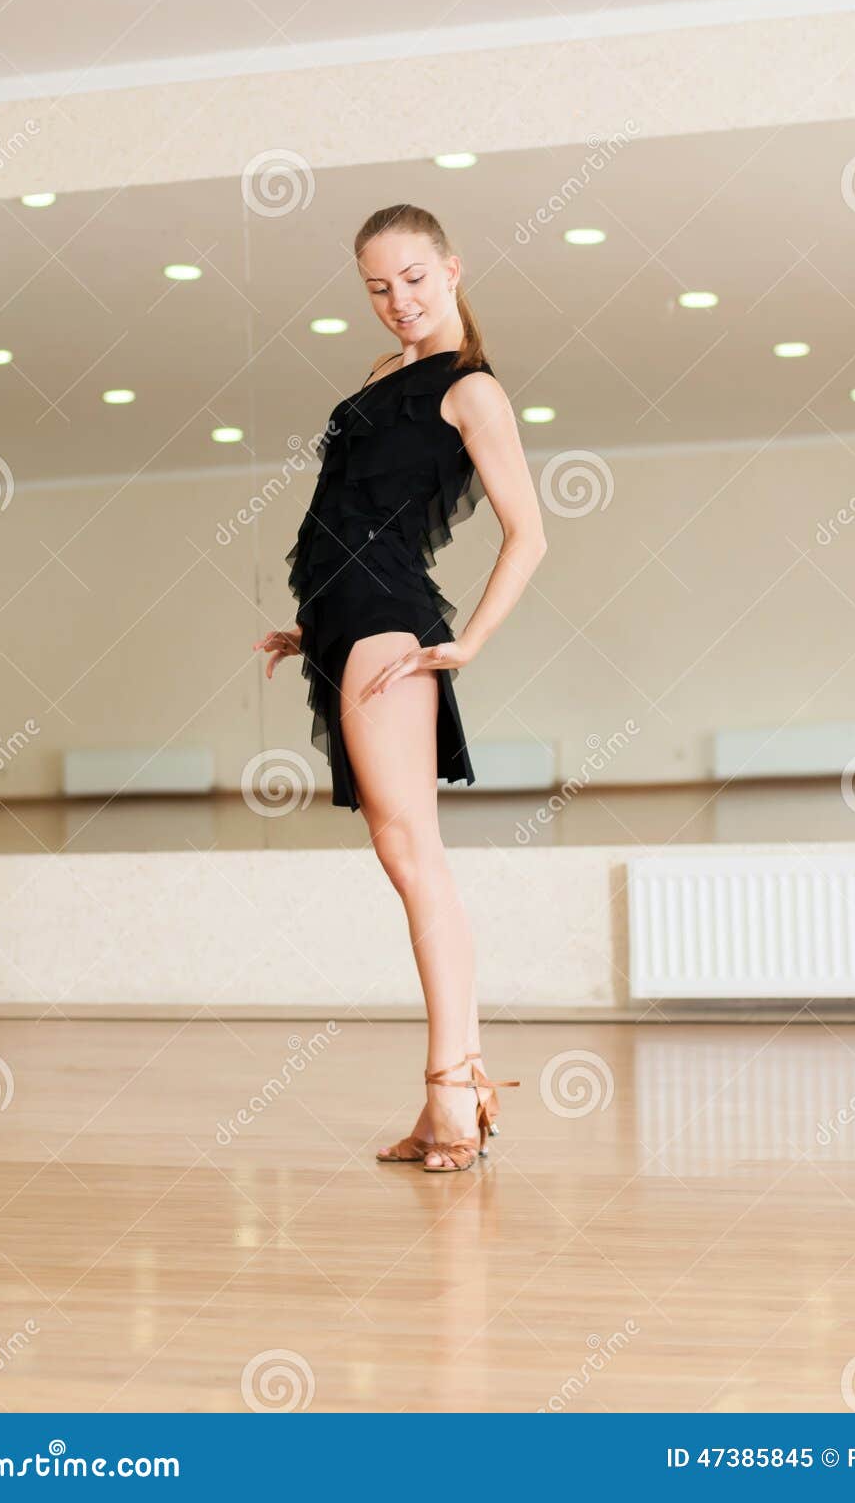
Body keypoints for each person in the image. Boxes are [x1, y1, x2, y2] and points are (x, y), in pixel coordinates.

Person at [254, 204, 547, 1170]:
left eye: (414, 278)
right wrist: (313, 627)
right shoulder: (385, 376)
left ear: (452, 269)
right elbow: (355, 513)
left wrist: (468, 643)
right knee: (404, 855)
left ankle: (453, 1100)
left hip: (390, 625)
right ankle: (452, 1094)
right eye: (378, 287)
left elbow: (529, 534)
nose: (398, 301)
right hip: (348, 624)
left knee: (414, 859)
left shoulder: (472, 392)